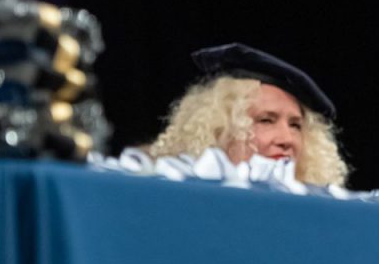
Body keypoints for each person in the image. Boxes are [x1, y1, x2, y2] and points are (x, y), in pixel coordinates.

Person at [147, 43, 349, 186]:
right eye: (266, 120)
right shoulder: (176, 206)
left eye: (295, 125)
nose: (287, 139)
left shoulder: (315, 222)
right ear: (219, 130)